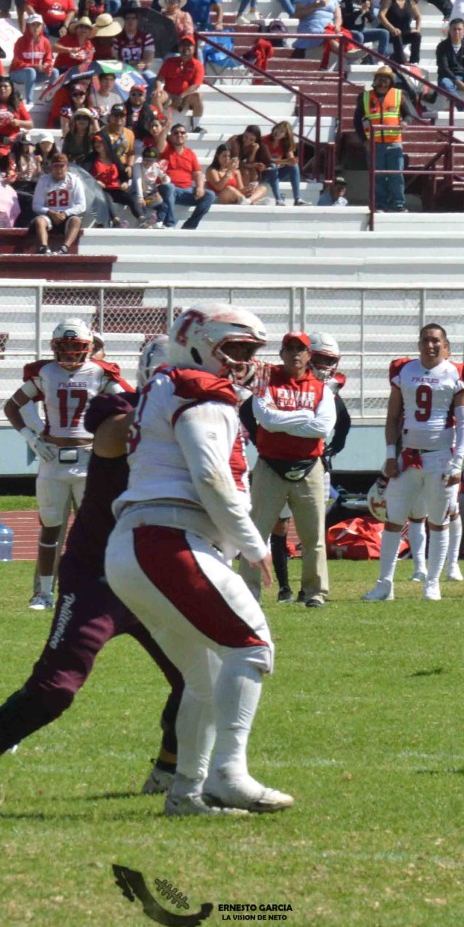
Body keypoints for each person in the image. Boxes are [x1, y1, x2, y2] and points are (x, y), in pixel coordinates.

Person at [0, 362, 184, 805]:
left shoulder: (211, 421)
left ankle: (168, 770)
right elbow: (109, 438)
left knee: (199, 677)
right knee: (57, 687)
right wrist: (170, 406)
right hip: (99, 574)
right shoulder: (122, 408)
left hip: (159, 576)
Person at [105, 305, 291, 817]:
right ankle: (228, 774)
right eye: (234, 348)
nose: (243, 362)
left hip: (140, 543)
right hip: (167, 537)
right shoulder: (198, 390)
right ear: (196, 343)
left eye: (251, 351)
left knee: (206, 677)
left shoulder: (169, 385)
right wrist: (254, 544)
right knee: (250, 645)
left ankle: (186, 792)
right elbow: (210, 476)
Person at [3, 318, 132, 611]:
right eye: (65, 347)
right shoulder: (45, 373)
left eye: (77, 347)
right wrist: (33, 439)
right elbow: (11, 406)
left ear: (88, 348)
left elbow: (127, 407)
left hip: (88, 459)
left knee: (96, 530)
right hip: (53, 460)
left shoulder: (101, 374)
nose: (71, 353)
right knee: (50, 528)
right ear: (54, 347)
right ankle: (44, 594)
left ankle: (99, 591)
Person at [363, 324, 464, 602]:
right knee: (393, 520)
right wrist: (390, 454)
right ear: (419, 343)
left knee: (438, 522)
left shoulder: (457, 373)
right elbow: (392, 417)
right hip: (408, 455)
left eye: (436, 340)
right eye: (426, 340)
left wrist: (458, 462)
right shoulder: (405, 370)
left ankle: (432, 583)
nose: (431, 345)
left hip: (440, 457)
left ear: (445, 344)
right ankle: (385, 584)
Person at [236, 333, 335, 609]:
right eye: (289, 349)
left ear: (308, 355)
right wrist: (305, 417)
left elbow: (323, 428)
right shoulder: (266, 380)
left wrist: (285, 422)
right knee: (255, 533)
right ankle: (248, 593)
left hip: (309, 466)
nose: (294, 354)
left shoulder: (320, 388)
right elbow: (266, 419)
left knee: (313, 536)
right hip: (270, 465)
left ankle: (315, 591)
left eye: (300, 349)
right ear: (281, 353)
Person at [358, 67, 407, 211]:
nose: (382, 80)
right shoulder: (365, 97)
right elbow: (357, 120)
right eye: (380, 77)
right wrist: (364, 140)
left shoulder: (399, 95)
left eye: (386, 77)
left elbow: (410, 114)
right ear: (375, 80)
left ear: (391, 80)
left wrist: (405, 122)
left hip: (394, 143)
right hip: (374, 144)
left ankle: (398, 204)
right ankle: (379, 204)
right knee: (377, 177)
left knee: (396, 176)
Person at [28, 150, 89, 254]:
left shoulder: (74, 180)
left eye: (62, 166)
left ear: (67, 167)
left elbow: (81, 205)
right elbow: (36, 205)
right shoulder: (43, 180)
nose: (59, 170)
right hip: (49, 215)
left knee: (76, 221)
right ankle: (44, 247)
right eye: (56, 166)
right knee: (39, 221)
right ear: (51, 167)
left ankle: (64, 248)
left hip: (67, 215)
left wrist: (65, 213)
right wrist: (50, 212)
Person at [157, 122, 215, 229]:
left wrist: (200, 187)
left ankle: (189, 226)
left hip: (187, 191)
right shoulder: (165, 149)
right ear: (170, 136)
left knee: (210, 195)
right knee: (169, 187)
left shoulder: (190, 153)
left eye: (182, 133)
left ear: (186, 137)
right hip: (168, 189)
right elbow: (160, 143)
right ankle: (169, 224)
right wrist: (165, 129)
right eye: (176, 133)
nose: (179, 135)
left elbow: (197, 173)